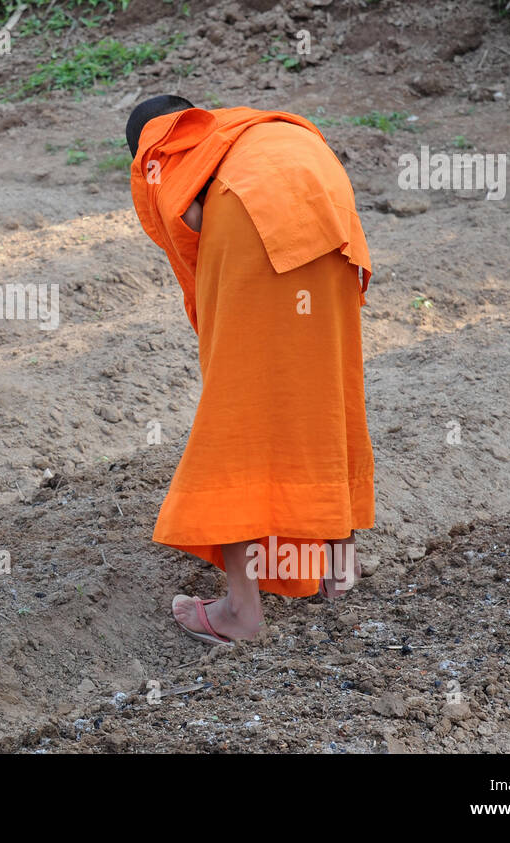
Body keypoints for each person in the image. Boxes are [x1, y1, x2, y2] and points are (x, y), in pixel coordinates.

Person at [125, 94, 374, 645]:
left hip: (257, 216)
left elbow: (187, 214)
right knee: (323, 392)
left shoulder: (158, 144)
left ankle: (242, 613)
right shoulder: (238, 132)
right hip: (327, 206)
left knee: (237, 418)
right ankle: (339, 574)